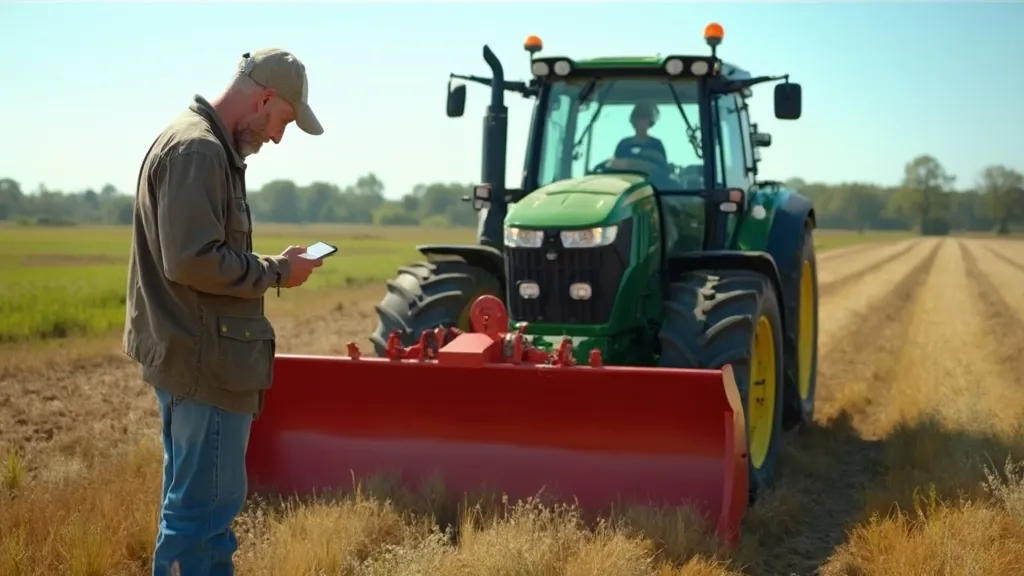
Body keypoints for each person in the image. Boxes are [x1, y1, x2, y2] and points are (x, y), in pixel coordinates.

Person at [121, 47, 325, 576]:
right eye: (283, 122)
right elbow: (192, 260)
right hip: (205, 362)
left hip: (197, 355)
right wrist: (278, 271)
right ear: (264, 98)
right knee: (202, 517)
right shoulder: (199, 150)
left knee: (195, 510)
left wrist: (276, 264)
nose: (278, 137)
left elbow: (201, 255)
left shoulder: (202, 145)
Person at [612, 103, 668, 169]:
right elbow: (615, 166)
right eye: (638, 118)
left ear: (650, 121)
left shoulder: (656, 145)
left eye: (645, 118)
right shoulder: (623, 145)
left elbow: (663, 169)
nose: (641, 122)